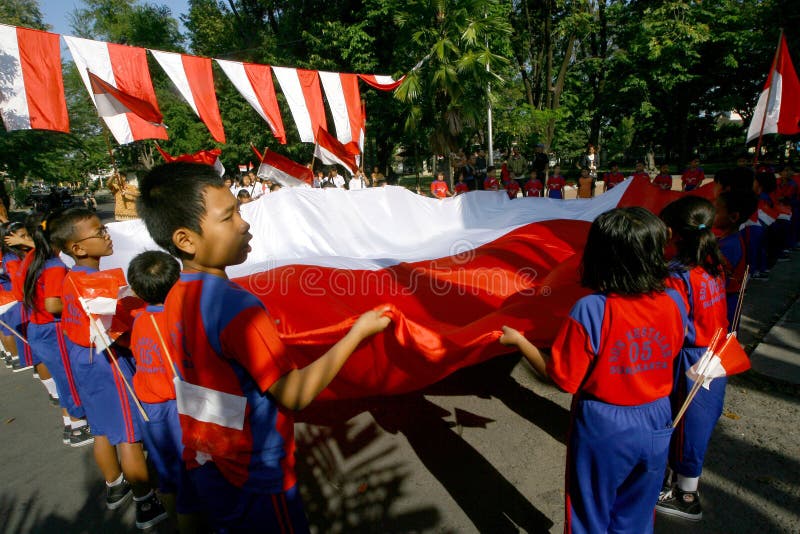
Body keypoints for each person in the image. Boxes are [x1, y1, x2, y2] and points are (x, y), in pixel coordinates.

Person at [136, 162, 392, 532]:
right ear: (185, 239)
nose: (244, 223)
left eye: (239, 211)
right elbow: (294, 394)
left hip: (207, 454)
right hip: (254, 470)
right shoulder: (236, 306)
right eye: (228, 218)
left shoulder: (177, 293)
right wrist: (357, 333)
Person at [499, 207, 687, 534]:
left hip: (605, 425)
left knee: (590, 515)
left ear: (600, 256)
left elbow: (561, 377)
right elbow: (672, 348)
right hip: (657, 417)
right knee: (638, 512)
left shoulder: (592, 309)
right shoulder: (674, 300)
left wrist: (520, 342)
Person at [58, 208, 168, 529]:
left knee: (103, 428)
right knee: (129, 437)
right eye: (99, 232)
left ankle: (114, 484)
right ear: (77, 248)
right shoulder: (102, 283)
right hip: (109, 365)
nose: (107, 235)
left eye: (104, 228)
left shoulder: (72, 279)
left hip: (86, 364)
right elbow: (124, 331)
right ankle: (145, 502)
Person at [656, 197, 729, 522]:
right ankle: (681, 484)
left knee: (685, 424)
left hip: (690, 358)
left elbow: (669, 325)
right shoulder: (713, 263)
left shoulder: (677, 274)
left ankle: (686, 496)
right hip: (714, 353)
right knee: (696, 422)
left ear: (670, 233)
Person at [127, 250, 201, 530]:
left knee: (167, 476)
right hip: (176, 408)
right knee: (188, 480)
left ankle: (172, 522)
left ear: (135, 290)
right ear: (178, 280)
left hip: (148, 407)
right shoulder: (176, 321)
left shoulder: (139, 318)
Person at [22, 211, 92, 447]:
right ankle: (79, 426)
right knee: (69, 378)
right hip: (52, 329)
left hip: (38, 327)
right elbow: (53, 303)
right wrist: (78, 305)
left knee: (61, 378)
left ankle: (69, 423)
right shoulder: (54, 266)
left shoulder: (32, 256)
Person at [713, 190, 754, 327]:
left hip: (727, 300)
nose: (712, 214)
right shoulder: (726, 239)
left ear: (733, 217)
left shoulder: (729, 245)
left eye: (716, 211)